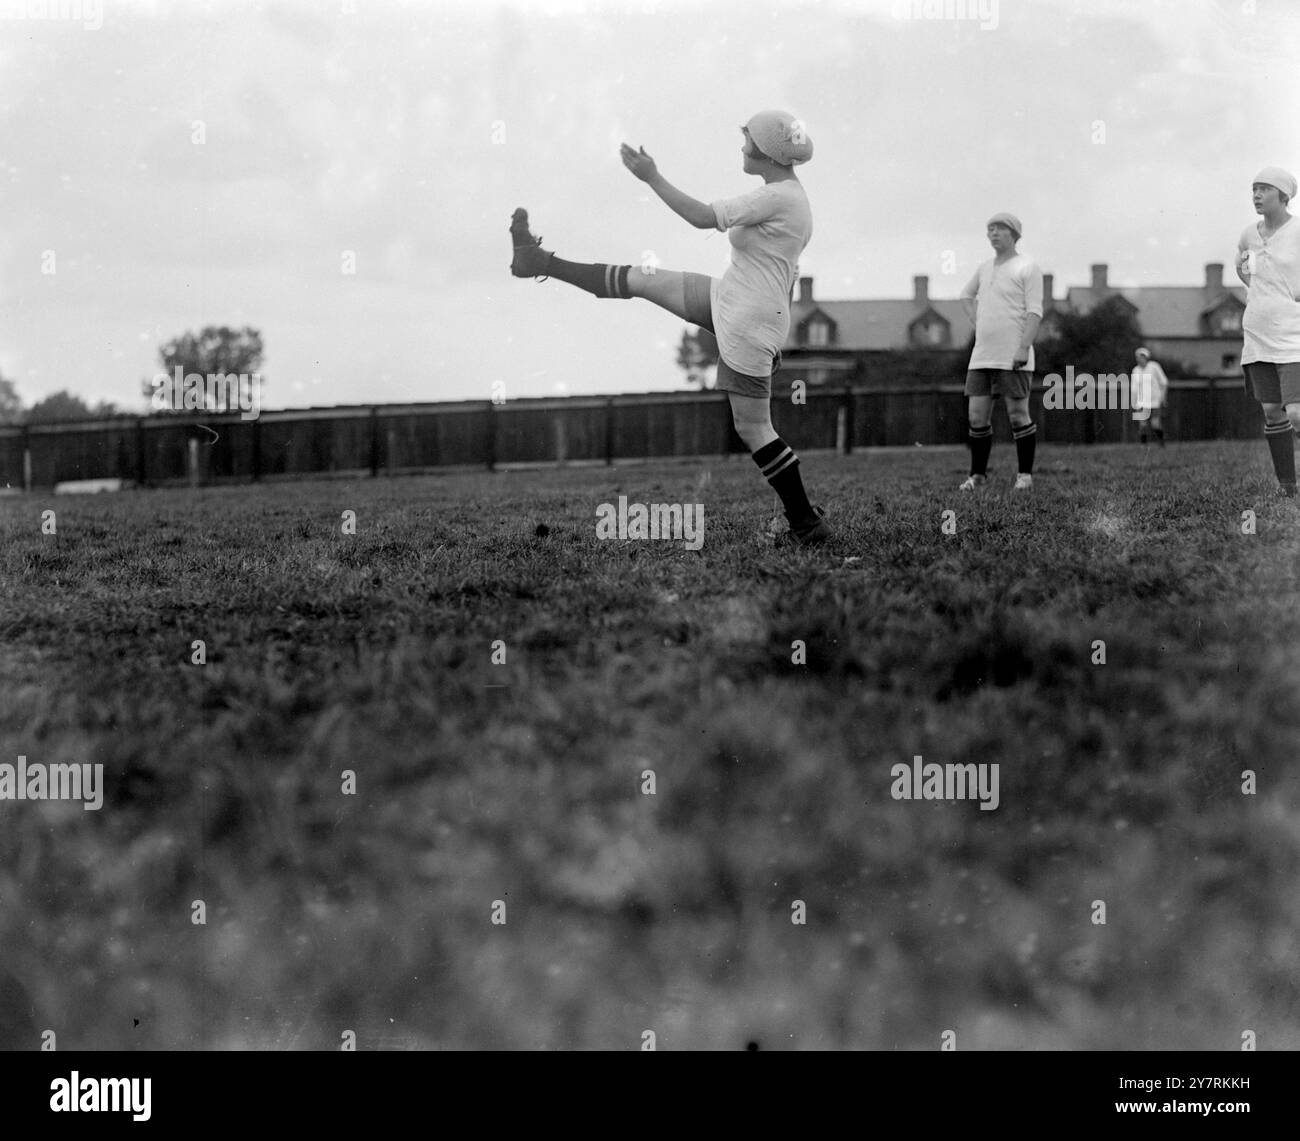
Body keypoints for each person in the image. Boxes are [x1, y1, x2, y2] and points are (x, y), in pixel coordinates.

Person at [509, 110, 831, 546]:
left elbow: (701, 217)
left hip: (745, 319)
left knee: (754, 429)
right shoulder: (789, 197)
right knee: (644, 278)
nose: (742, 146)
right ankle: (537, 262)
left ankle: (805, 523)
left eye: (747, 141)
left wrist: (651, 177)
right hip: (734, 301)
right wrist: (778, 334)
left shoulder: (777, 197)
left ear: (767, 152)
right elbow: (786, 277)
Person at [958, 213, 1043, 491]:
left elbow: (1034, 312)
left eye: (999, 229)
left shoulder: (1027, 267)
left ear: (1014, 234)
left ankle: (1025, 476)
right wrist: (978, 320)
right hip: (982, 355)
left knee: (1018, 414)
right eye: (989, 229)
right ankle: (977, 475)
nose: (993, 233)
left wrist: (1023, 347)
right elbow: (965, 296)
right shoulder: (984, 268)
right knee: (976, 417)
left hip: (1013, 356)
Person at [1236, 166, 1300, 498]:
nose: (1257, 195)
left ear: (1284, 196)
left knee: (1297, 413)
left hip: (1293, 335)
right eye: (1254, 189)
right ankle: (1288, 488)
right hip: (1257, 333)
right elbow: (1241, 264)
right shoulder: (1249, 234)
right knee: (1272, 411)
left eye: (1264, 189)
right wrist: (1258, 291)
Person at [1130, 347, 1168, 446]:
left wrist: (1163, 397)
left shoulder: (1154, 367)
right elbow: (1134, 387)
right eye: (1137, 357)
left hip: (1155, 400)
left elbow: (1164, 382)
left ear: (1146, 357)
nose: (1139, 359)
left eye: (1141, 357)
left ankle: (1161, 441)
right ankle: (1144, 446)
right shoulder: (1136, 370)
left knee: (1155, 424)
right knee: (1142, 425)